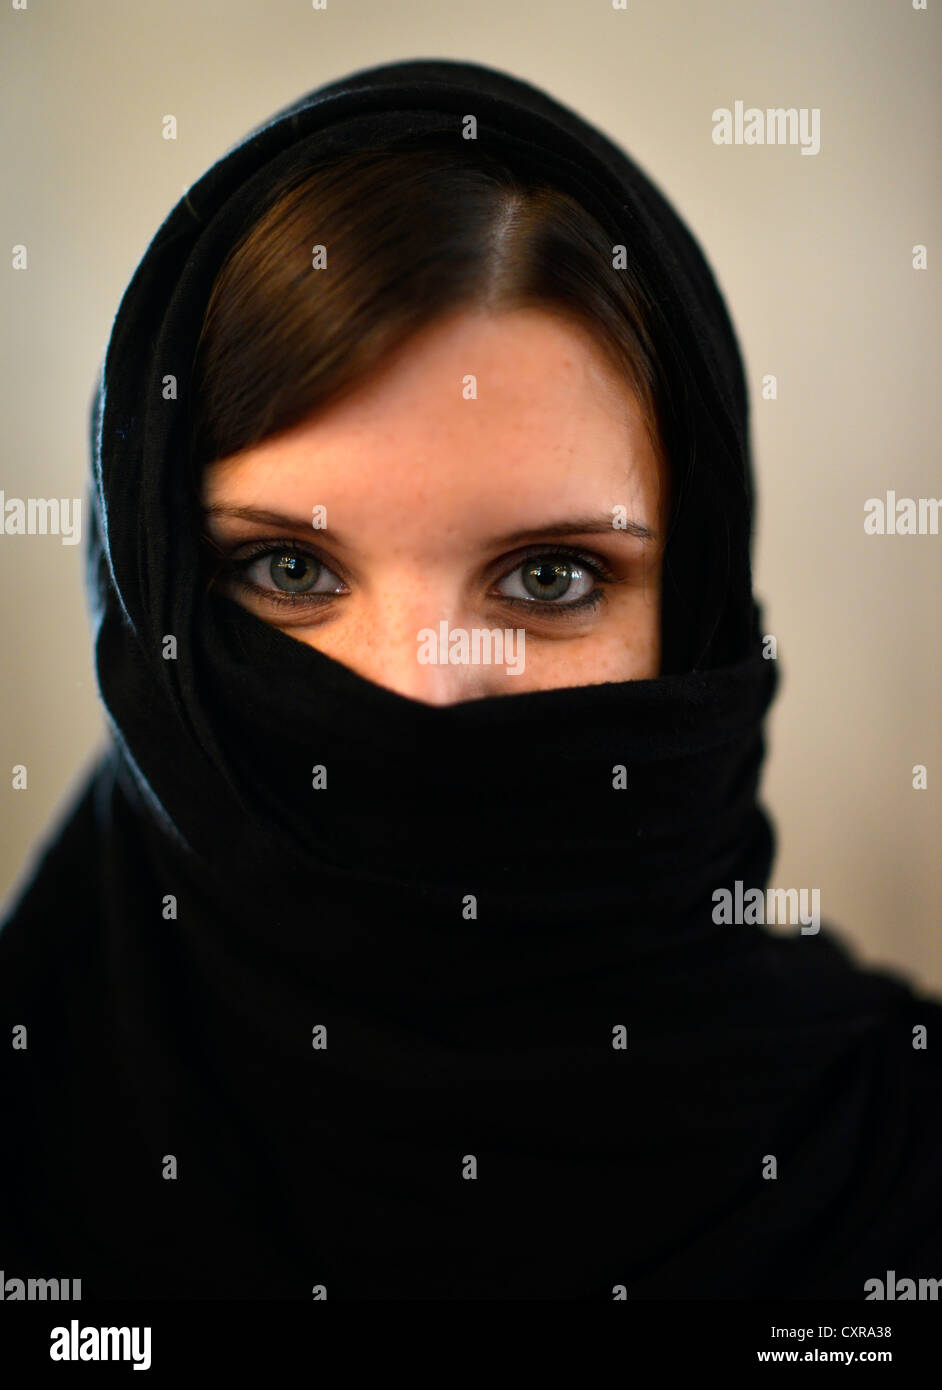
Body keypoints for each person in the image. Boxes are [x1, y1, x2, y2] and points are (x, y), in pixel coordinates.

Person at [1, 56, 939, 1301]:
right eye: (290, 567)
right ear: (153, 586)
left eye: (549, 580)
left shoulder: (900, 1176)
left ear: (698, 616)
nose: (420, 695)